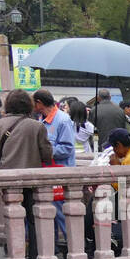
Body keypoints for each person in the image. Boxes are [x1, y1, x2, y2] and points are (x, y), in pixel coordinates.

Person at [0, 89, 53, 259]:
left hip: (8, 178)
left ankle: (14, 252)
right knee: (33, 218)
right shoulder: (37, 126)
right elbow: (47, 155)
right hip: (31, 178)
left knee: (12, 215)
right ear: (28, 105)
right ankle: (34, 254)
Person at [33, 88, 75, 249]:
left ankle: (73, 247)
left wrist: (45, 151)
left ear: (39, 103)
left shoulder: (63, 120)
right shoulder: (40, 120)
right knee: (50, 214)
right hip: (47, 173)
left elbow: (67, 148)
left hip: (60, 173)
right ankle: (56, 248)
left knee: (62, 214)